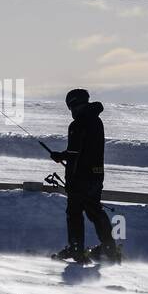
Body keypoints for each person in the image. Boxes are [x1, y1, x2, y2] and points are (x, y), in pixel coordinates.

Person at [51, 87, 118, 262]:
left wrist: (60, 156)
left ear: (73, 105)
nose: (71, 111)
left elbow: (75, 153)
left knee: (74, 214)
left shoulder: (78, 124)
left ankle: (76, 251)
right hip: (96, 175)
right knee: (95, 211)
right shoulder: (96, 121)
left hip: (80, 177)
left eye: (70, 107)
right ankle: (109, 248)